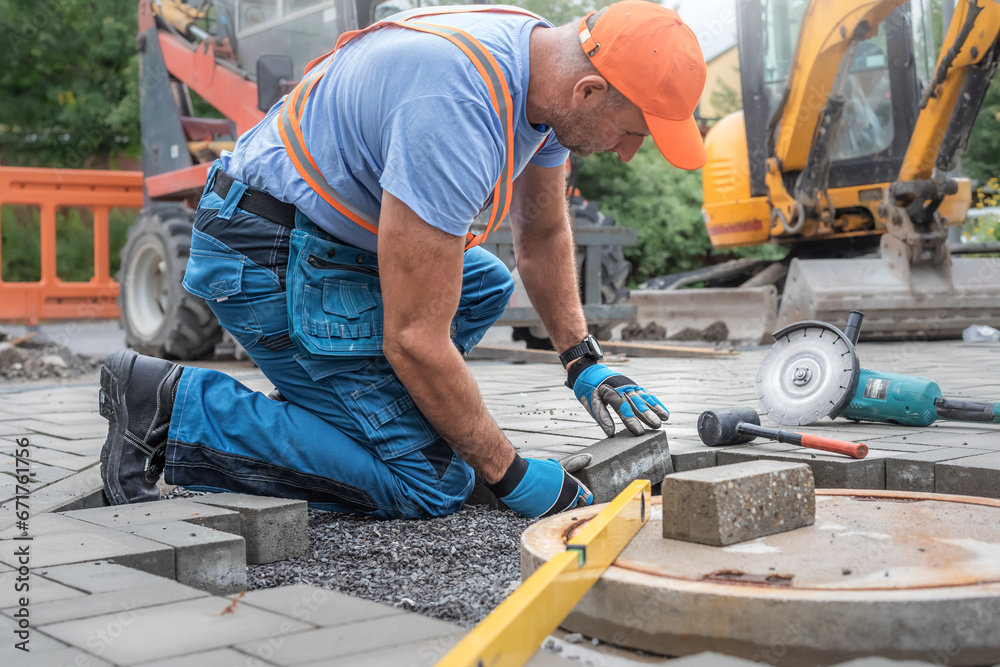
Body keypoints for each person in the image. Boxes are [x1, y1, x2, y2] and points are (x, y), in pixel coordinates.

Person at [98, 1, 707, 520]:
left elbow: (543, 230)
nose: (627, 154)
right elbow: (414, 339)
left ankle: (350, 417)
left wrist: (582, 360)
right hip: (263, 253)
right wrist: (509, 473)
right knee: (429, 484)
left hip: (325, 244)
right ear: (591, 92)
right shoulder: (458, 108)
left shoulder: (544, 68)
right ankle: (169, 407)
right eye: (633, 133)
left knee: (483, 284)